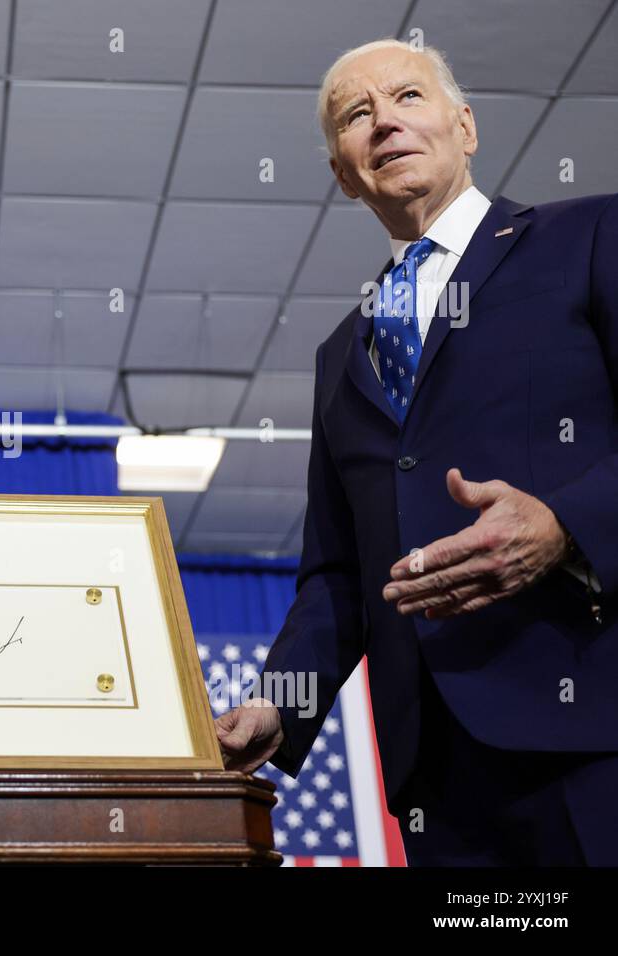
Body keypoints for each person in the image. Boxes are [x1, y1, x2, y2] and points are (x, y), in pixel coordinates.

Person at [214, 38, 618, 865]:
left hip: (594, 728)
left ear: (464, 126)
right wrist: (275, 706)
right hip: (438, 779)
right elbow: (337, 579)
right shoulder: (340, 356)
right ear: (343, 170)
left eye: (407, 97)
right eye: (357, 116)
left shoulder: (590, 236)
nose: (384, 122)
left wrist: (564, 523)